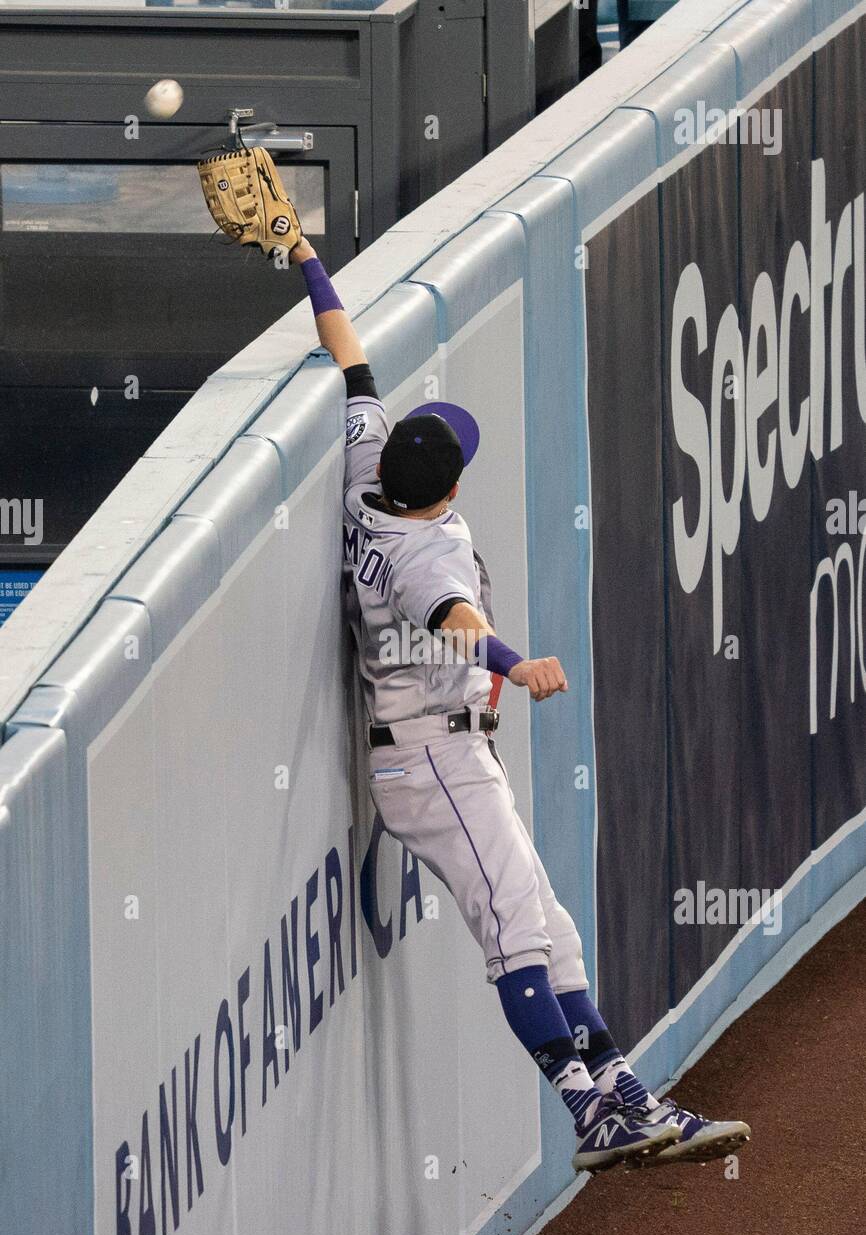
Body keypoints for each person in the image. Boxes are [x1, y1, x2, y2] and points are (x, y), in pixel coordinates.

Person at [289, 234, 751, 1174]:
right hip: (429, 754)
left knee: (552, 931)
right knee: (516, 933)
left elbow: (352, 358)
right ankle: (588, 1114)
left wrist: (303, 256)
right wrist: (514, 661)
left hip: (442, 750)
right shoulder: (425, 552)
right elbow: (452, 620)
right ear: (451, 485)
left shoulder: (366, 471)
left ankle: (625, 1094)